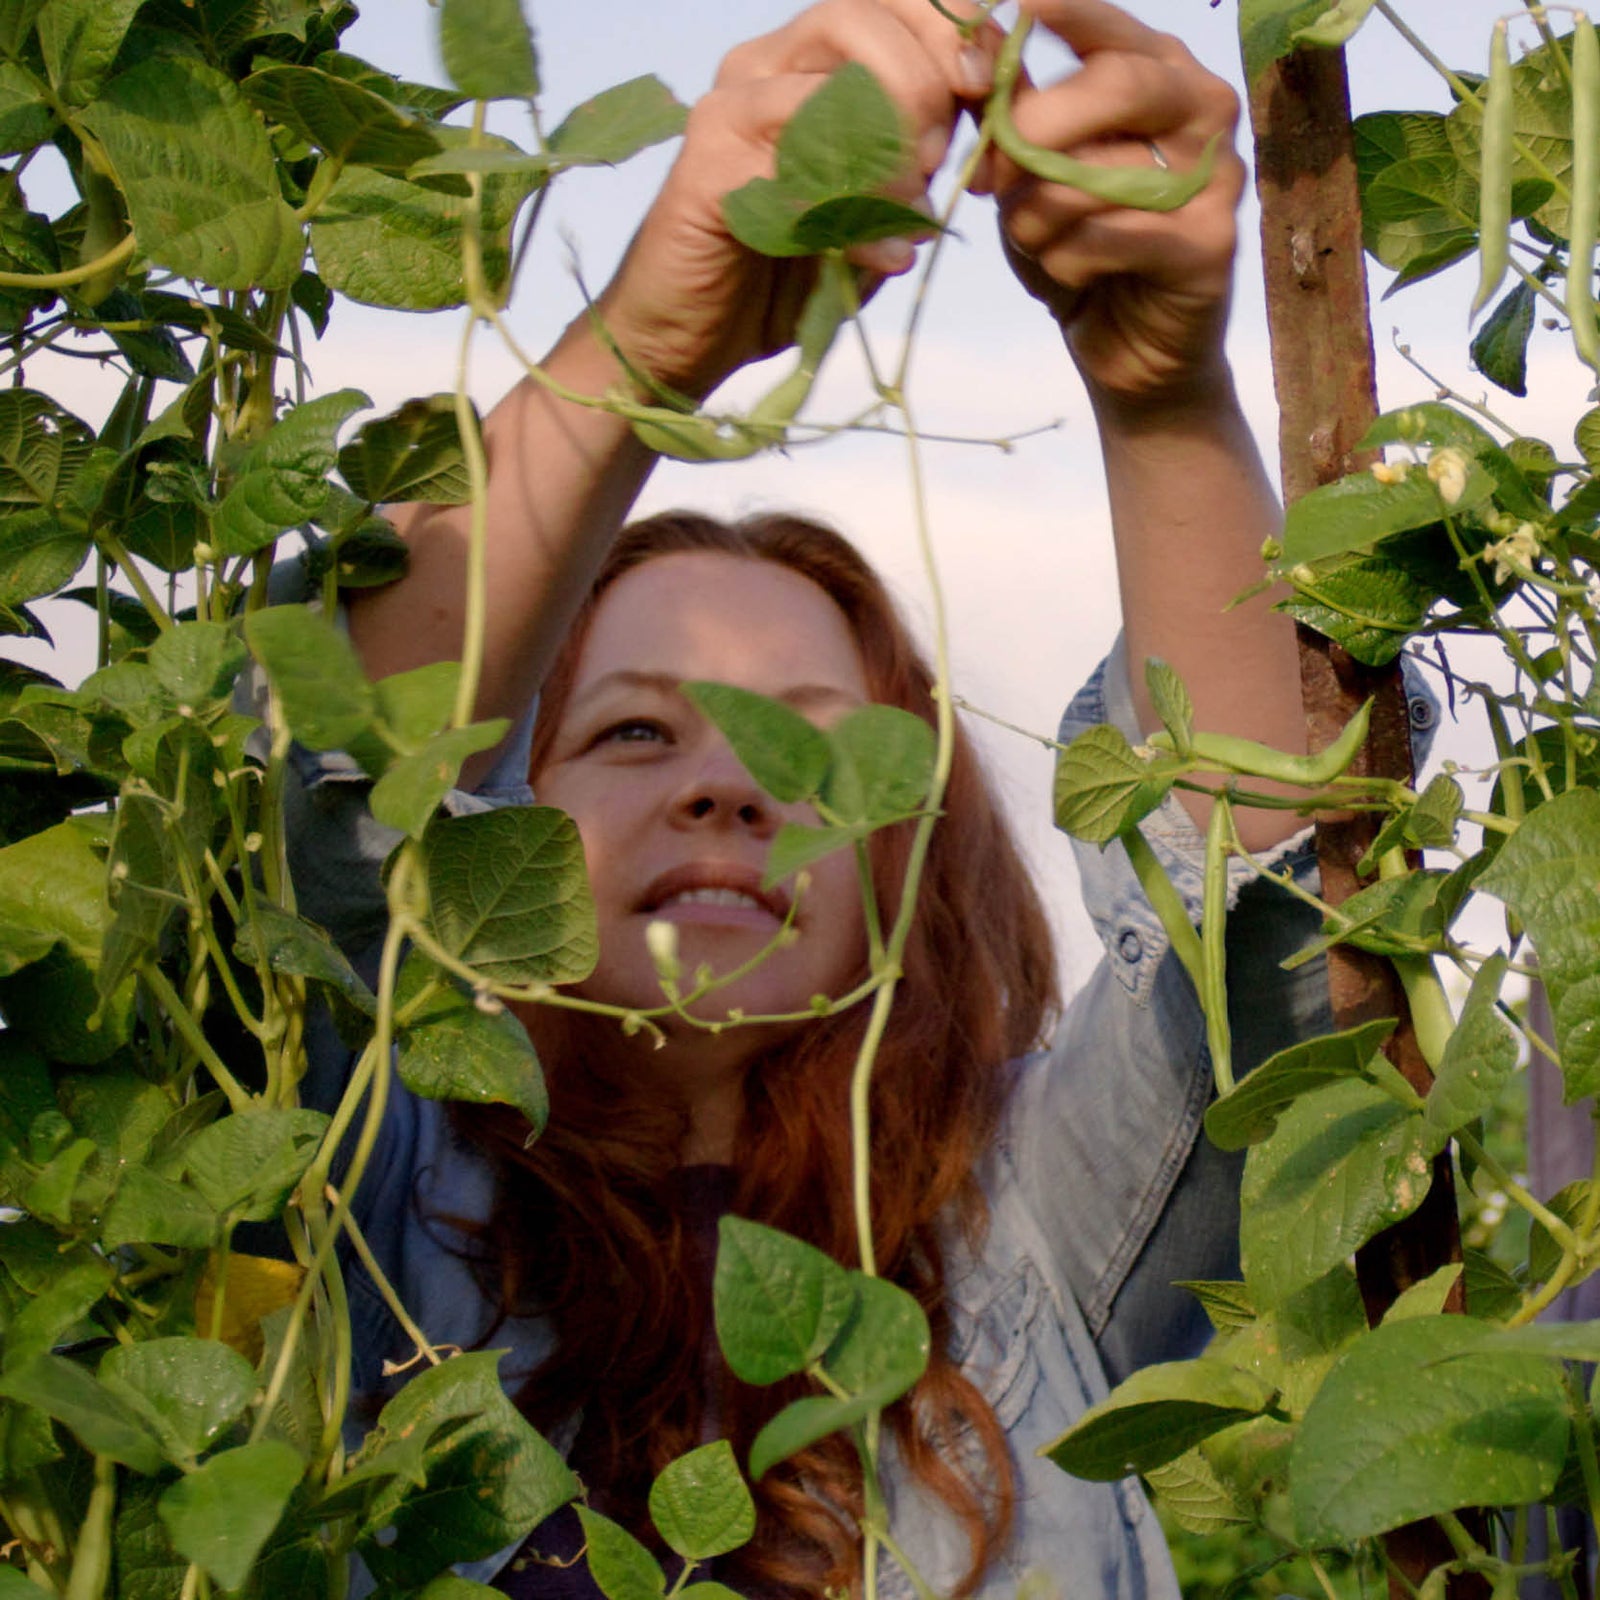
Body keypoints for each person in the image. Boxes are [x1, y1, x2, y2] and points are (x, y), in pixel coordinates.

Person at [287, 0, 1337, 1594]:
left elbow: (1251, 943)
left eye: (804, 742)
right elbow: (323, 789)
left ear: (914, 852)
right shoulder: (364, 1197)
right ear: (494, 815)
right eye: (636, 734)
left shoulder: (1021, 1234)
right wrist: (652, 339)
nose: (724, 784)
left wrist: (1165, 402)